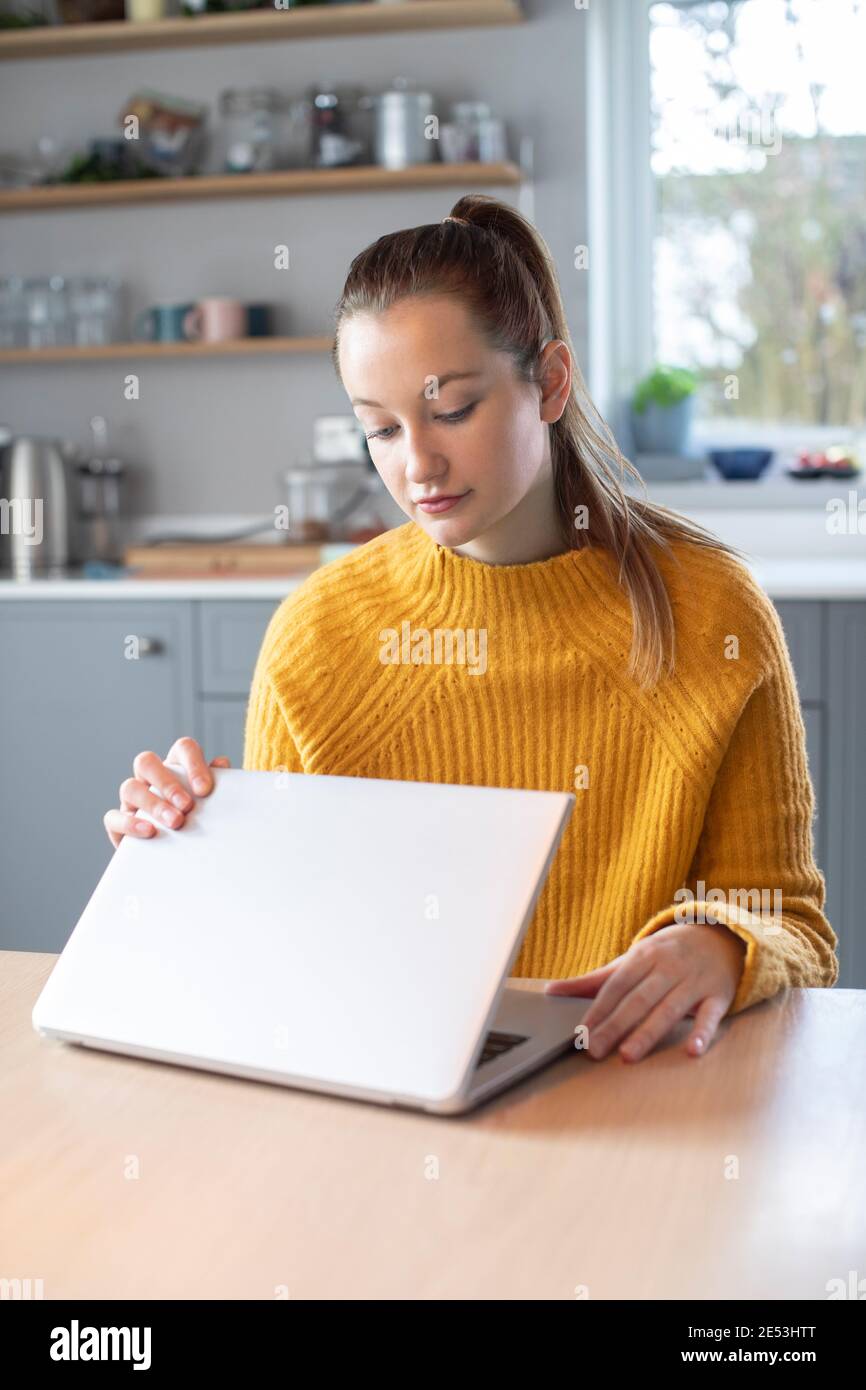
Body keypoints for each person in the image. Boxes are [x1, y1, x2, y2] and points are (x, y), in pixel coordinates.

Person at [104, 194, 838, 1065]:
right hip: (392, 1098)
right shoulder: (321, 634)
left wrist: (722, 945)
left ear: (551, 383)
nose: (416, 465)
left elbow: (789, 923)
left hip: (640, 1093)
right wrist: (191, 849)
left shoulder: (712, 610)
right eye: (378, 428)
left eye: (451, 409)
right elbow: (284, 950)